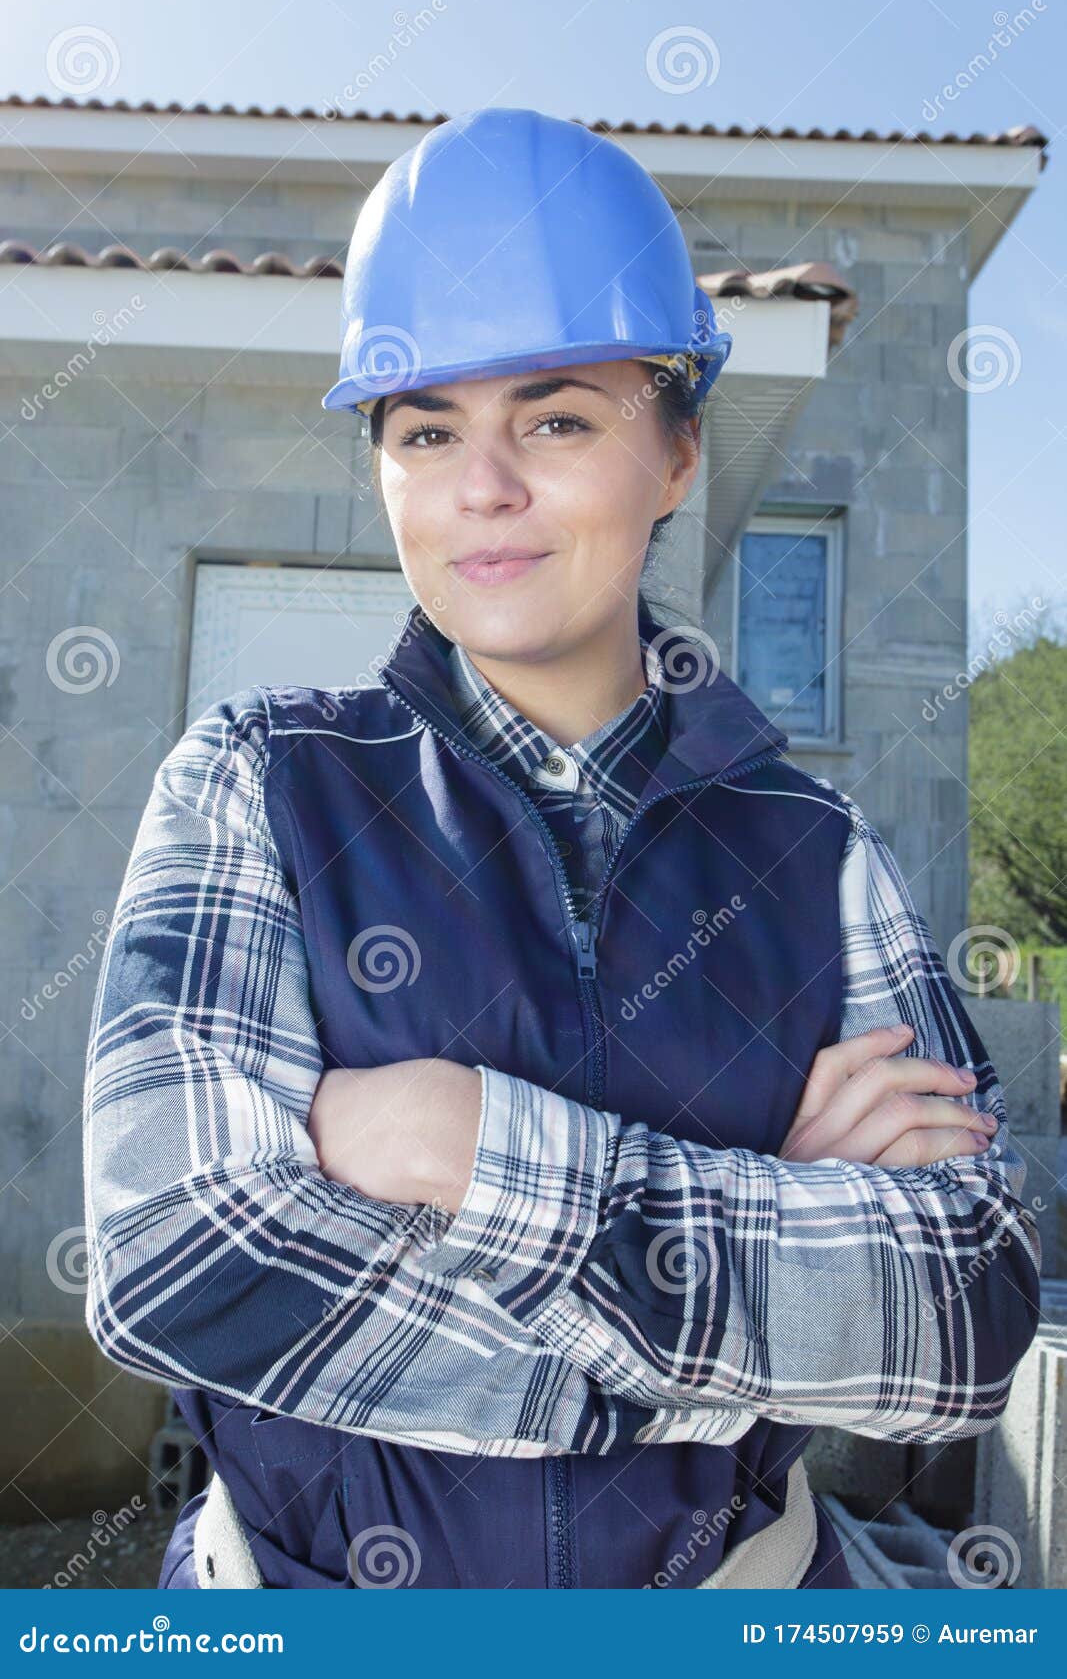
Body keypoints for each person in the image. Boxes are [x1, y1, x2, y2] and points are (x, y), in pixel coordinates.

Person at [82, 107, 1041, 1590]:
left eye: (557, 418)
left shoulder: (811, 847)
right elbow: (183, 1256)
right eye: (425, 429)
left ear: (675, 453)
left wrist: (474, 1143)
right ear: (384, 468)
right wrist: (755, 1262)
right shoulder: (259, 781)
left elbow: (965, 1307)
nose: (485, 487)